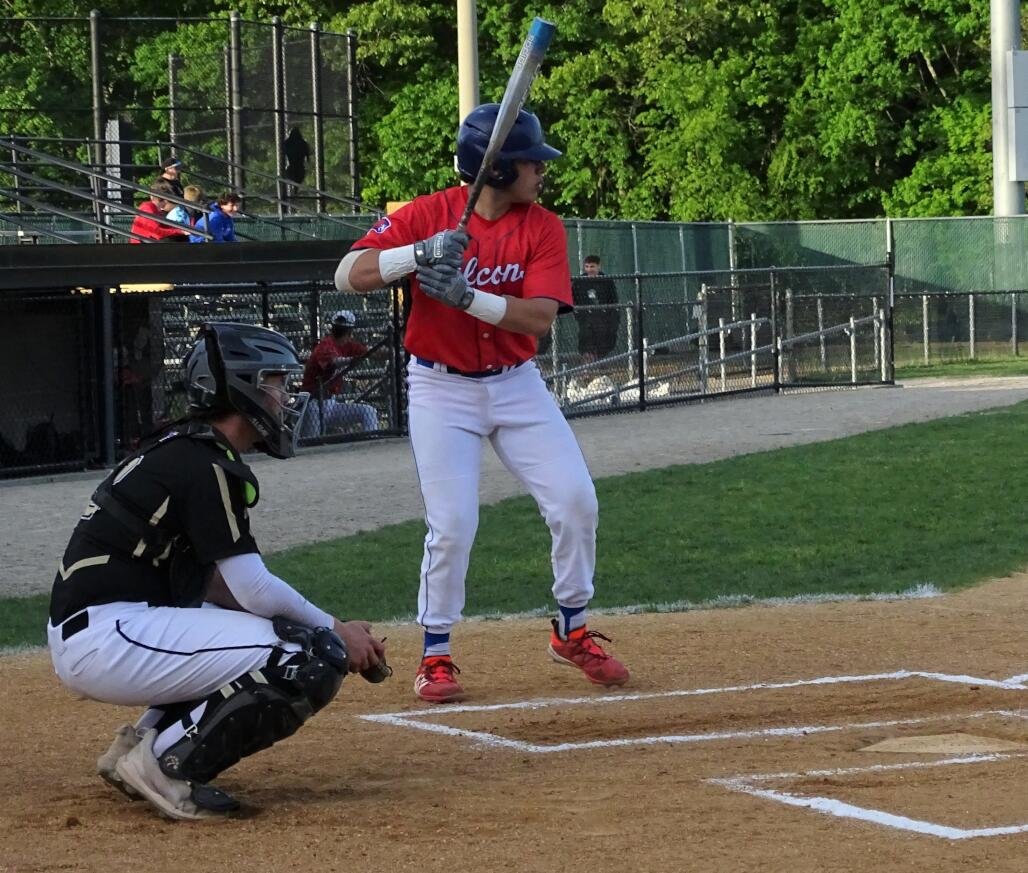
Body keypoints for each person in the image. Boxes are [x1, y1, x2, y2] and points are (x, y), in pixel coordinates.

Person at [334, 103, 629, 703]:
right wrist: (415, 255)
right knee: (454, 523)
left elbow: (540, 319)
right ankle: (436, 654)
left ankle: (571, 629)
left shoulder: (543, 226)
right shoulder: (429, 214)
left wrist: (467, 297)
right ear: (494, 171)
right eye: (530, 163)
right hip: (441, 389)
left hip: (516, 382)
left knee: (576, 500)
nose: (541, 172)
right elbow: (348, 272)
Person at [46, 322, 386, 821]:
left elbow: (217, 584)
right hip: (109, 632)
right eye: (275, 382)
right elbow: (252, 586)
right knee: (307, 654)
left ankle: (138, 749)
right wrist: (335, 629)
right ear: (244, 384)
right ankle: (163, 767)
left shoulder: (183, 447)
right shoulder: (203, 461)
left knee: (283, 635)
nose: (284, 396)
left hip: (104, 628)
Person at [300, 309, 379, 436]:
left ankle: (372, 443)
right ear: (350, 332)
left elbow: (372, 352)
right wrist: (352, 360)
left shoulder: (349, 345)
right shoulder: (325, 345)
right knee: (311, 442)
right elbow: (334, 361)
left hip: (331, 404)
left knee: (367, 411)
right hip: (312, 403)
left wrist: (392, 352)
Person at [572, 255, 620, 363]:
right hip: (586, 318)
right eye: (587, 266)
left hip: (603, 318)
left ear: (598, 267)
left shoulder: (606, 281)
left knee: (604, 341)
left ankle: (598, 361)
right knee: (586, 341)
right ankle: (588, 365)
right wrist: (579, 313)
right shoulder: (579, 281)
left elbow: (613, 300)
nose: (589, 270)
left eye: (592, 266)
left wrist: (611, 316)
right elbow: (573, 298)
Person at [129, 179, 188, 243]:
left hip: (150, 242)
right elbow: (157, 233)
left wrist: (181, 231)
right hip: (142, 245)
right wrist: (180, 231)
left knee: (181, 238)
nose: (167, 202)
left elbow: (165, 227)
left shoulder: (156, 210)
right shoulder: (147, 208)